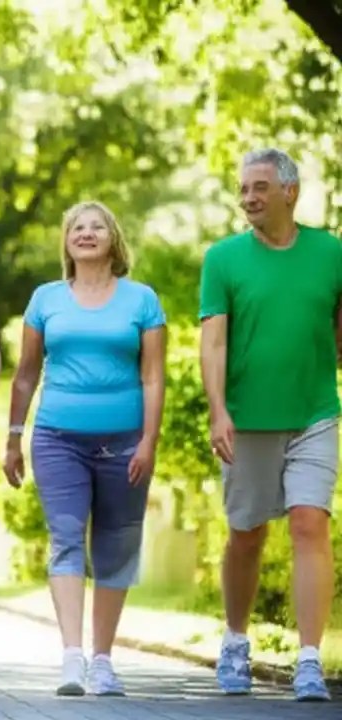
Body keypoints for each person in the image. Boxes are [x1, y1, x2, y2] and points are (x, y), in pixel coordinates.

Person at [2, 201, 166, 697]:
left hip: (125, 443)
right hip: (58, 438)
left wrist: (148, 442)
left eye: (98, 227)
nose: (88, 233)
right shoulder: (46, 299)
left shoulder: (141, 299)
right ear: (67, 241)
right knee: (67, 537)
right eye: (78, 226)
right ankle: (72, 657)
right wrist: (12, 436)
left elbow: (153, 376)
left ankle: (103, 660)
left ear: (114, 240)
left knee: (117, 543)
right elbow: (26, 374)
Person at [199, 148, 337, 703]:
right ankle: (235, 640)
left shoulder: (332, 252)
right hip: (246, 419)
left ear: (290, 192)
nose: (248, 197)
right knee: (247, 533)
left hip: (314, 412)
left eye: (259, 187)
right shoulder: (224, 258)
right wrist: (218, 409)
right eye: (243, 189)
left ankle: (308, 659)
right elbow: (213, 341)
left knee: (309, 524)